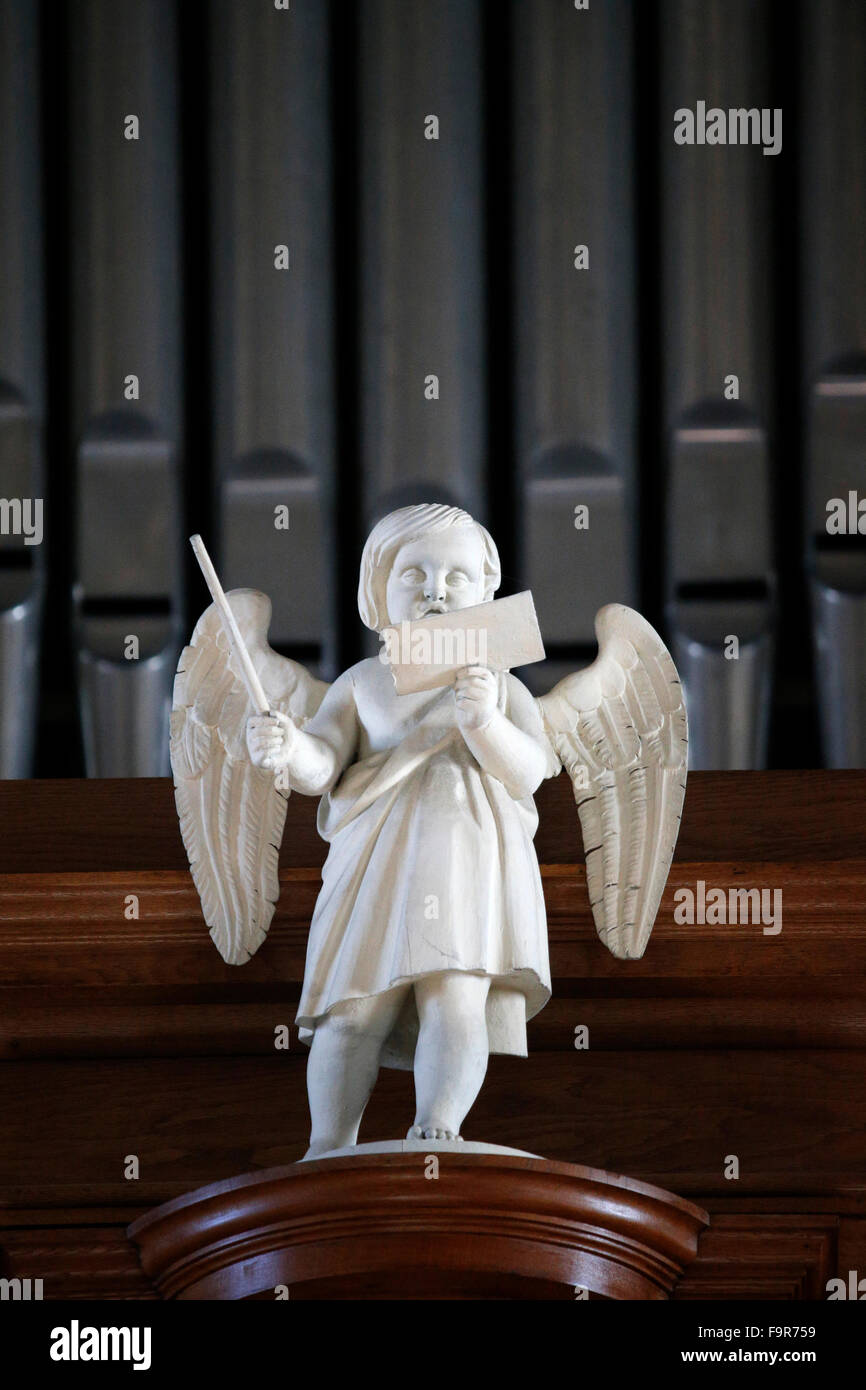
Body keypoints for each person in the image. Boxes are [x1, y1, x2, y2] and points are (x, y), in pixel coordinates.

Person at [246, 503, 557, 1158]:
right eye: (413, 574)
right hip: (377, 863)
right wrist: (285, 749)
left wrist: (485, 725)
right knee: (354, 1006)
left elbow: (530, 770)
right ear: (377, 592)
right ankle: (329, 1143)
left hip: (467, 860)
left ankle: (438, 1124)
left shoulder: (496, 685)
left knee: (456, 990)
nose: (435, 590)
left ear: (487, 589)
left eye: (456, 576)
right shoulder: (364, 683)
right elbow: (324, 762)